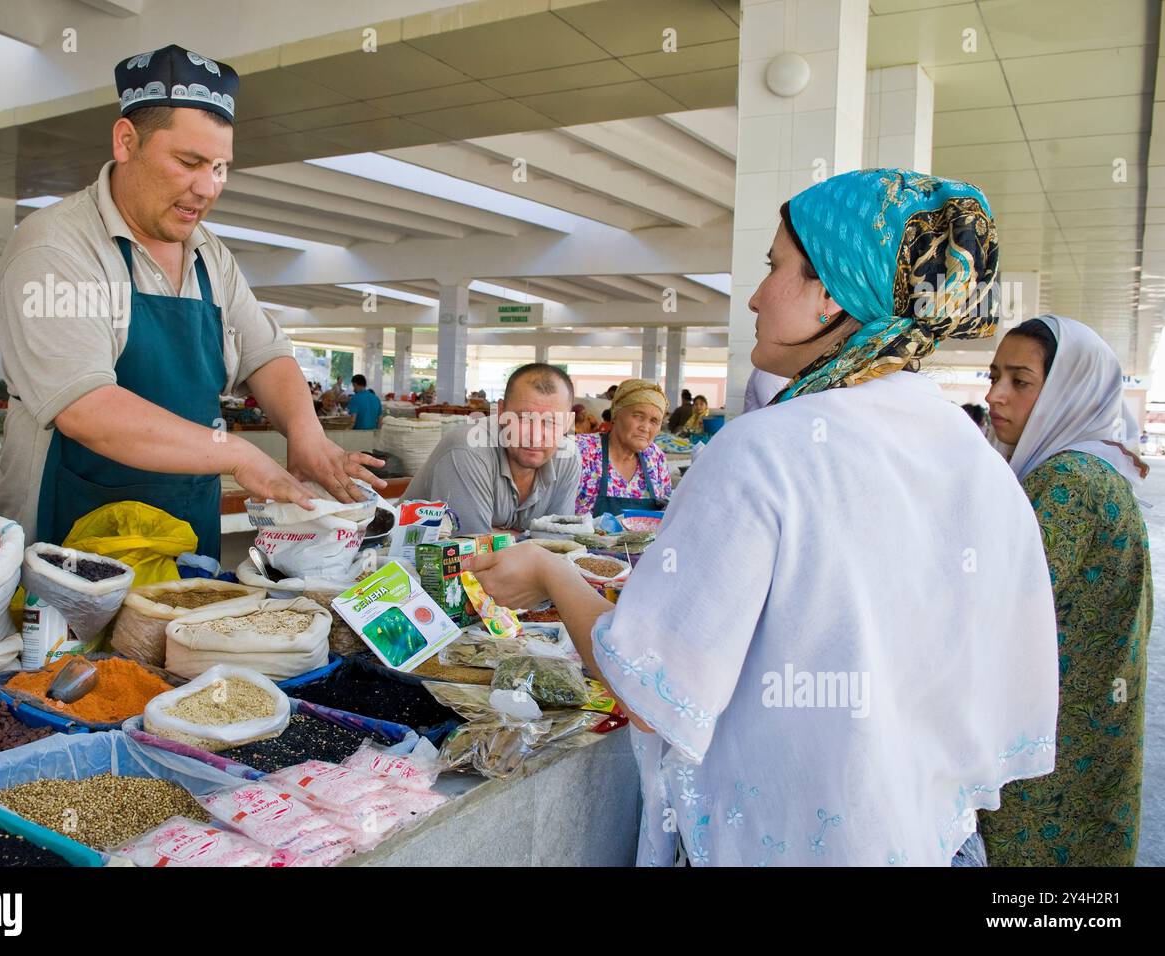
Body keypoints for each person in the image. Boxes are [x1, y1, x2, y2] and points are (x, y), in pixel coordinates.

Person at [463, 169, 1059, 866]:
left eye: (775, 267)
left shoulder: (765, 449)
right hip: (932, 841)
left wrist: (549, 572)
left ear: (831, 294)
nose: (752, 295)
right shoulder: (979, 462)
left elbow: (656, 689)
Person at [0, 44, 383, 560]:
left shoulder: (207, 254)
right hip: (71, 532)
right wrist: (237, 454)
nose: (207, 188)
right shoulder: (56, 247)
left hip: (186, 529)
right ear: (127, 141)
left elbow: (266, 353)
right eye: (188, 161)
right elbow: (87, 410)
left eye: (219, 166)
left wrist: (306, 433)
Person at [979, 315, 1151, 866]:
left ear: (1067, 391)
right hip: (1088, 749)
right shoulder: (1097, 469)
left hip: (1049, 772)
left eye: (1019, 381)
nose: (994, 395)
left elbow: (990, 613)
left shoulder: (1067, 483)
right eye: (993, 376)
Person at [403, 363, 580, 535]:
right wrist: (528, 537)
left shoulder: (568, 457)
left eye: (551, 422)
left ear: (568, 424)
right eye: (523, 418)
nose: (534, 436)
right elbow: (472, 552)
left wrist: (502, 536)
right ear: (501, 412)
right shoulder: (468, 448)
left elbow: (559, 542)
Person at [574, 379, 672, 516]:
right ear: (615, 414)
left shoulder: (656, 459)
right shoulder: (581, 451)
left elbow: (665, 513)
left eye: (654, 421)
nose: (645, 428)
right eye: (638, 416)